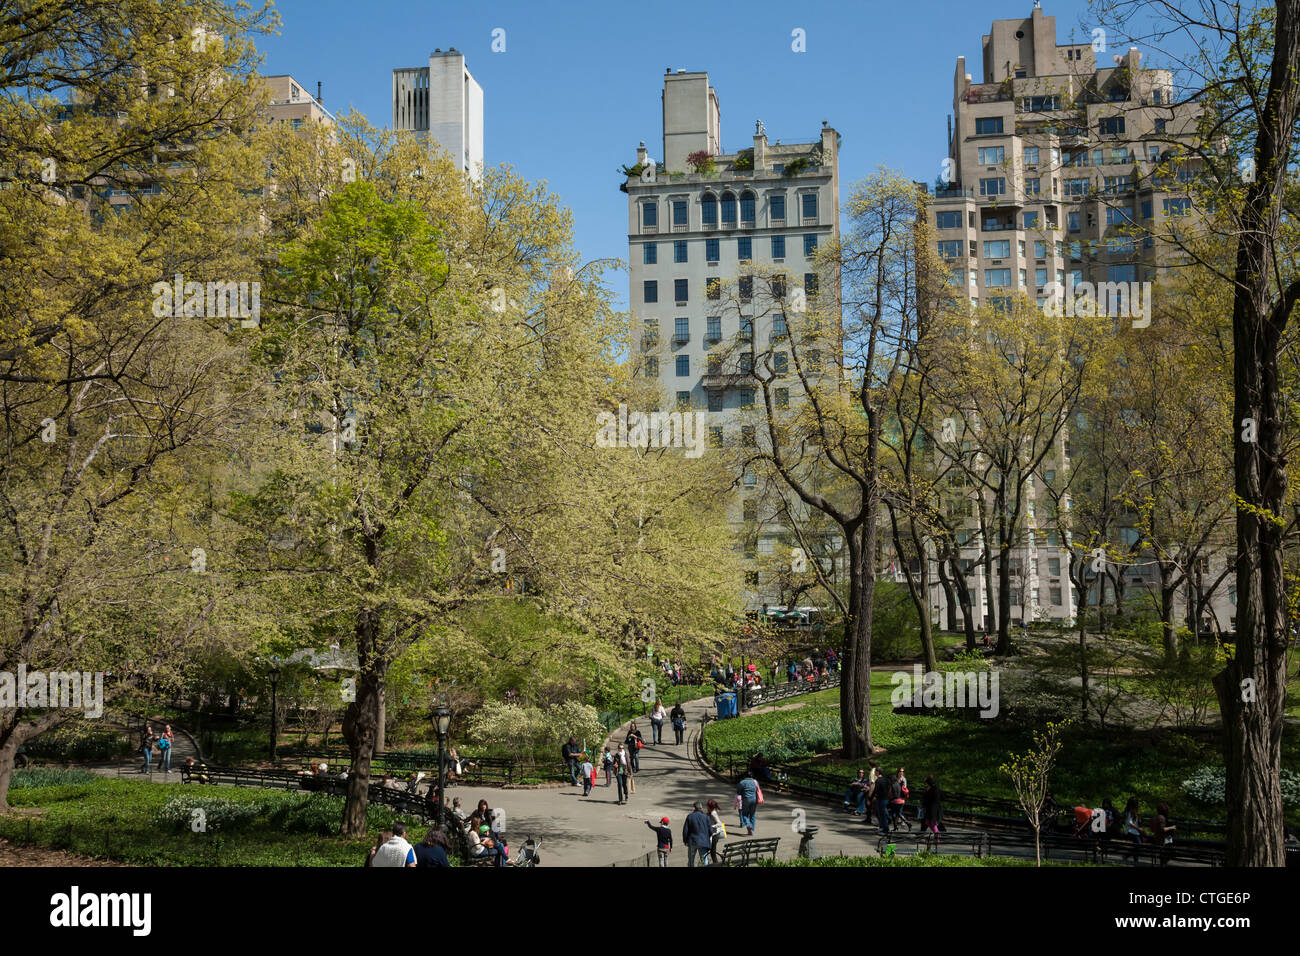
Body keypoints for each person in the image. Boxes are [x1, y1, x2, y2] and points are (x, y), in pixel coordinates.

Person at [683, 802, 712, 867]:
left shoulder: (690, 817)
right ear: (701, 808)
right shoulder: (706, 817)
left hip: (692, 841)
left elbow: (685, 831)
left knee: (691, 860)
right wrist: (706, 838)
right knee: (704, 860)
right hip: (703, 842)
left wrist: (685, 841)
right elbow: (711, 831)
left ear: (694, 808)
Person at [736, 769, 759, 835]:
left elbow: (738, 792)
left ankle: (748, 825)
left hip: (746, 799)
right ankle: (752, 831)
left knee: (744, 814)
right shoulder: (755, 781)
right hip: (754, 799)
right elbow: (758, 789)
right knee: (752, 815)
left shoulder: (742, 782)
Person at [874, 770, 896, 836]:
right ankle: (883, 827)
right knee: (882, 814)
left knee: (882, 815)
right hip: (886, 799)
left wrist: (872, 797)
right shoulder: (888, 782)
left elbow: (876, 790)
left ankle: (885, 830)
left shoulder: (880, 781)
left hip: (882, 799)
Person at [707, 798, 726, 863]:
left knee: (712, 852)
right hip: (713, 834)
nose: (706, 807)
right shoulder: (711, 812)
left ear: (710, 806)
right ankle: (718, 858)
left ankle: (716, 863)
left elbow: (719, 824)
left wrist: (711, 826)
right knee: (712, 850)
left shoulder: (713, 813)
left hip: (714, 834)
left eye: (707, 806)